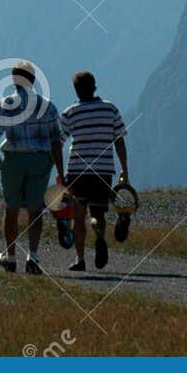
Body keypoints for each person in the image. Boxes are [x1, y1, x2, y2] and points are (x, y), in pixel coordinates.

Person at [0, 62, 65, 275]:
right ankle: (33, 255)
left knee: (11, 209)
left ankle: (10, 256)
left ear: (14, 79)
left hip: (13, 160)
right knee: (35, 209)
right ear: (33, 80)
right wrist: (60, 171)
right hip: (40, 161)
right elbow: (56, 142)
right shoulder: (48, 106)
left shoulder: (6, 104)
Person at [58, 70, 128, 272]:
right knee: (97, 213)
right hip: (103, 169)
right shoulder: (111, 110)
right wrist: (124, 169)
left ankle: (80, 259)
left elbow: (58, 144)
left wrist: (60, 173)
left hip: (78, 170)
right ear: (95, 86)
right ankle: (99, 236)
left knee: (78, 216)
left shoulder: (70, 113)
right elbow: (120, 142)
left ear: (76, 90)